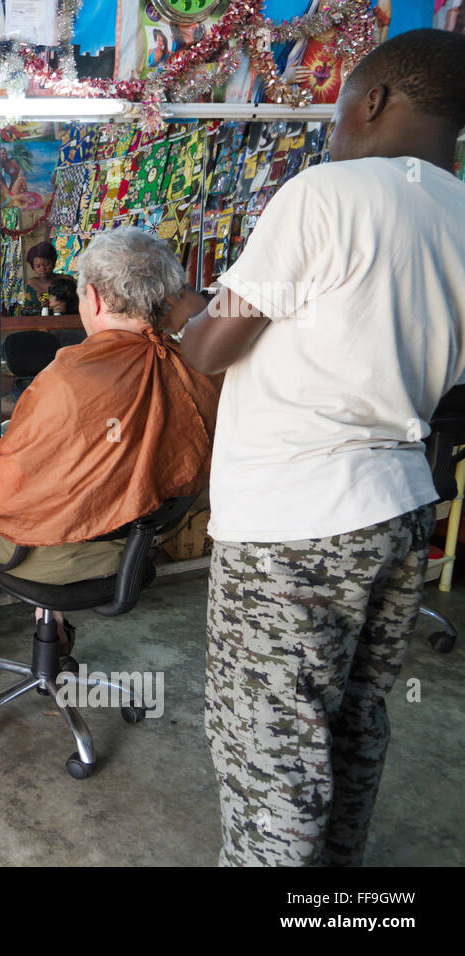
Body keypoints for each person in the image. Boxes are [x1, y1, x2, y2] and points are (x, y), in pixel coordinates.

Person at [165, 29, 465, 868]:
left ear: (373, 102)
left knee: (273, 755)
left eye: (338, 106)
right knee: (354, 721)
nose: (332, 126)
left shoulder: (325, 194)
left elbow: (209, 350)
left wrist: (192, 315)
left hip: (295, 524)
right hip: (401, 506)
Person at [0, 227, 219, 708]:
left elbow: (10, 489)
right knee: (59, 495)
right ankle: (54, 632)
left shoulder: (69, 377)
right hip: (128, 553)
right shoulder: (193, 367)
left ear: (90, 297)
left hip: (54, 555)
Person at [24, 240, 72, 310]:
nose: (42, 269)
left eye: (46, 264)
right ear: (33, 267)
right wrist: (40, 309)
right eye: (38, 266)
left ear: (53, 263)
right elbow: (27, 309)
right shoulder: (31, 284)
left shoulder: (66, 281)